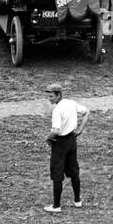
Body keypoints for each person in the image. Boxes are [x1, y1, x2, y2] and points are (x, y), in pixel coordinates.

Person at [43, 83, 91, 213]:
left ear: (59, 95)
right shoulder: (71, 103)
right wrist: (80, 129)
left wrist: (47, 139)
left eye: (51, 96)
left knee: (57, 174)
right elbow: (86, 112)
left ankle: (56, 206)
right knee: (74, 171)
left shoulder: (57, 110)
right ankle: (77, 201)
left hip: (60, 144)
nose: (49, 99)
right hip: (71, 141)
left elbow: (56, 130)